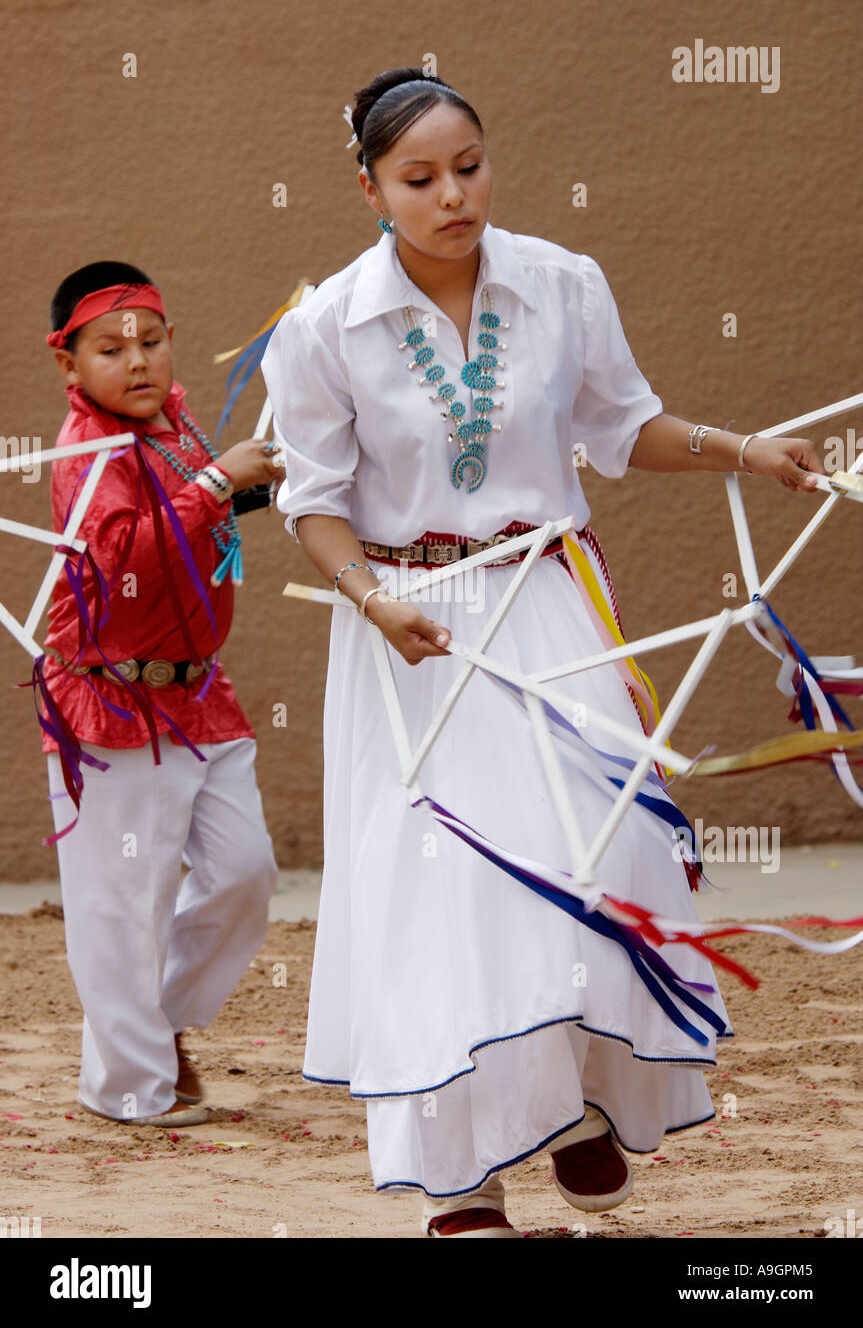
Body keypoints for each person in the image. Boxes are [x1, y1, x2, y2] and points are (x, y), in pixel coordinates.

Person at [261, 68, 825, 1237]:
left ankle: (572, 1102)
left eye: (468, 166)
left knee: (598, 851)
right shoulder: (323, 329)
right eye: (419, 178)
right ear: (368, 185)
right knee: (450, 885)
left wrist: (746, 448)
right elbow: (309, 502)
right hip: (409, 630)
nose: (452, 196)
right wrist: (369, 599)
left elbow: (623, 429)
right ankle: (462, 1182)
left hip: (546, 605)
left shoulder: (560, 283)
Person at [41, 261, 282, 1128]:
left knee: (244, 872)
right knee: (121, 907)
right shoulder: (85, 454)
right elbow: (121, 555)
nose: (137, 361)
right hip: (108, 704)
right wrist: (219, 482)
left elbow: (194, 524)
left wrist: (248, 486)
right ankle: (127, 1090)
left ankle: (160, 1021)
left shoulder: (177, 425)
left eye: (152, 341)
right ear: (70, 365)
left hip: (198, 696)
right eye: (110, 349)